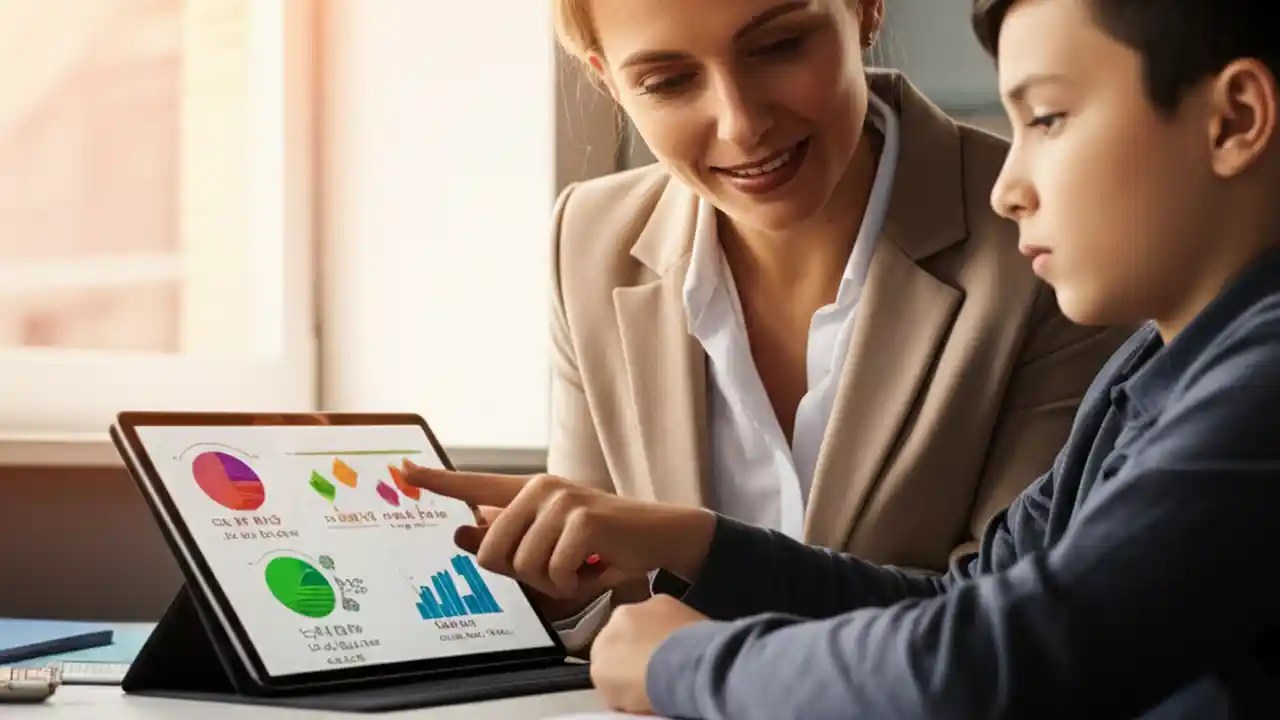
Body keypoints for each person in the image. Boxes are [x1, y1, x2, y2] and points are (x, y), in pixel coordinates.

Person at [407, 0, 1280, 715]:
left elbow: (1005, 657)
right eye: (668, 78)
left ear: (1236, 119)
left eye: (1046, 118)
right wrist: (697, 544)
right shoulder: (1151, 372)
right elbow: (973, 606)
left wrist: (691, 662)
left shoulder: (1248, 378)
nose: (1010, 188)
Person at [541, 0, 1128, 641]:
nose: (741, 126)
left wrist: (695, 607)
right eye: (668, 82)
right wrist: (534, 584)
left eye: (780, 45)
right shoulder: (589, 240)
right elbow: (605, 594)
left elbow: (1014, 620)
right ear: (609, 83)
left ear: (865, 10)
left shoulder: (1050, 235)